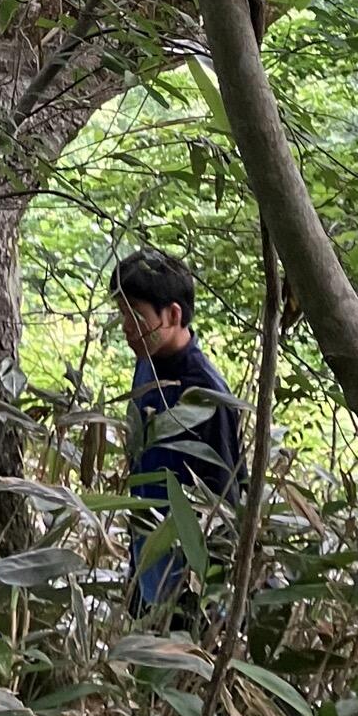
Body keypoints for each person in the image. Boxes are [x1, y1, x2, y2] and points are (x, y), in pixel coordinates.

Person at [113, 245, 243, 622]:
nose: (125, 328)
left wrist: (211, 591)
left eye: (134, 316)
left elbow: (225, 497)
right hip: (145, 560)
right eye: (122, 315)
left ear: (172, 314)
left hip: (186, 581)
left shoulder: (205, 395)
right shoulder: (147, 365)